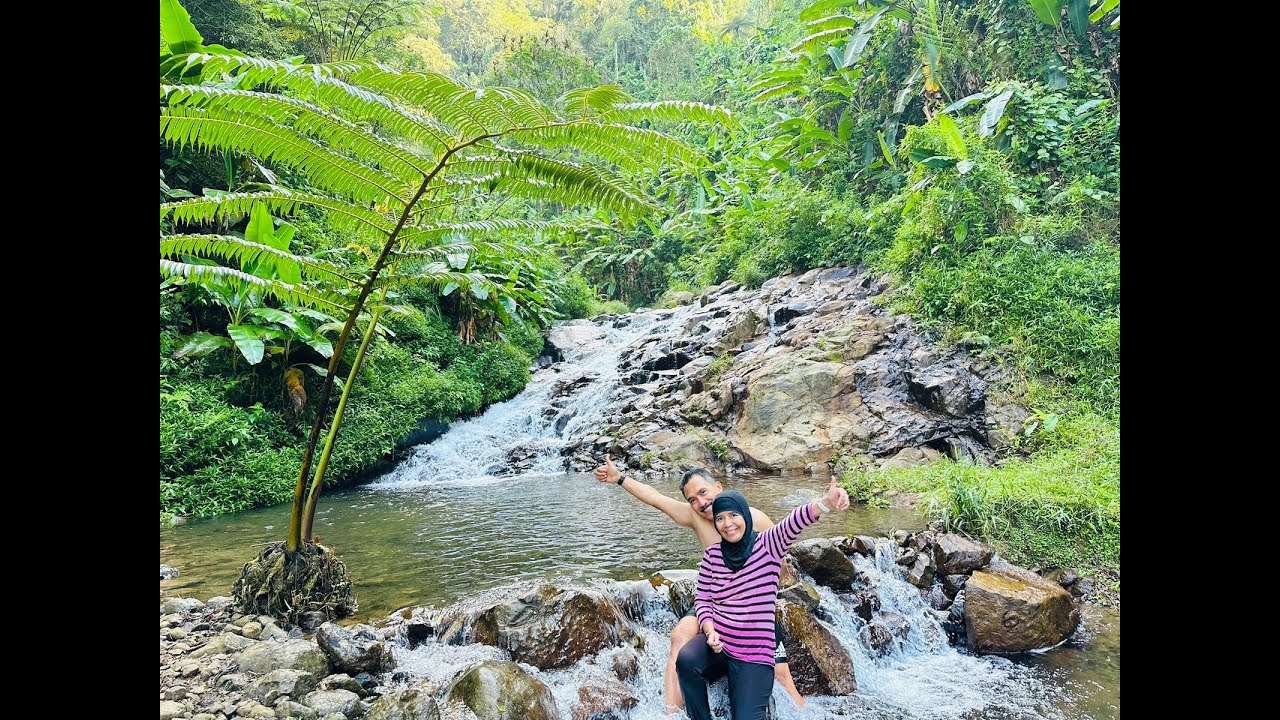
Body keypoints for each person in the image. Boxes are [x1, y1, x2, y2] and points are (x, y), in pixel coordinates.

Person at [592, 456, 806, 713]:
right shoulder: (695, 517)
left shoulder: (753, 518)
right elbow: (656, 499)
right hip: (714, 602)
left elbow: (780, 559)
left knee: (782, 675)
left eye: (703, 493)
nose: (701, 503)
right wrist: (620, 479)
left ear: (718, 486)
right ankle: (671, 712)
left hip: (753, 613)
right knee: (679, 635)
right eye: (692, 499)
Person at [678, 479, 849, 720]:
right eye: (720, 519)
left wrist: (826, 503)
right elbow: (703, 598)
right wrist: (709, 629)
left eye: (733, 515)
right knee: (686, 660)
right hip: (718, 645)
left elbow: (794, 521)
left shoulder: (767, 545)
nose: (727, 524)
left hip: (754, 654)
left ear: (746, 516)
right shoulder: (713, 555)